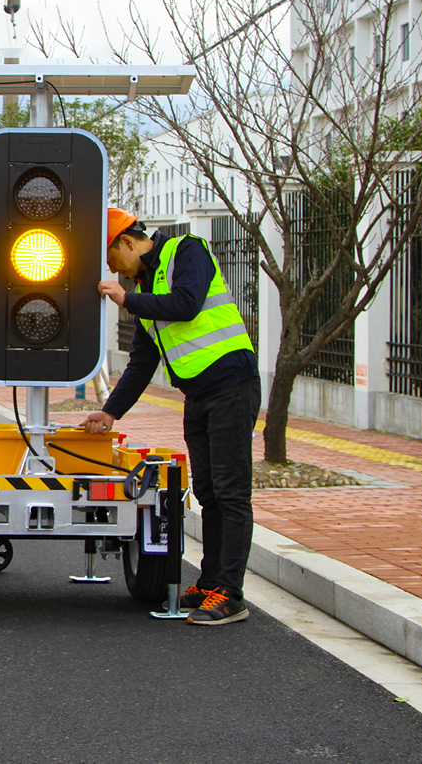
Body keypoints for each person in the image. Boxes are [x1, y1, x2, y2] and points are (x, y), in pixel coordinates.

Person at [83, 208, 260, 626]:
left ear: (127, 241)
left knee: (232, 493)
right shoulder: (146, 286)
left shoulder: (187, 249)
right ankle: (211, 580)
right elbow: (142, 361)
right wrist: (111, 412)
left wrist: (126, 299)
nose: (114, 271)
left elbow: (187, 303)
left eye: (112, 260)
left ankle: (231, 595)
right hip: (198, 395)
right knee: (210, 493)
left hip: (232, 385)